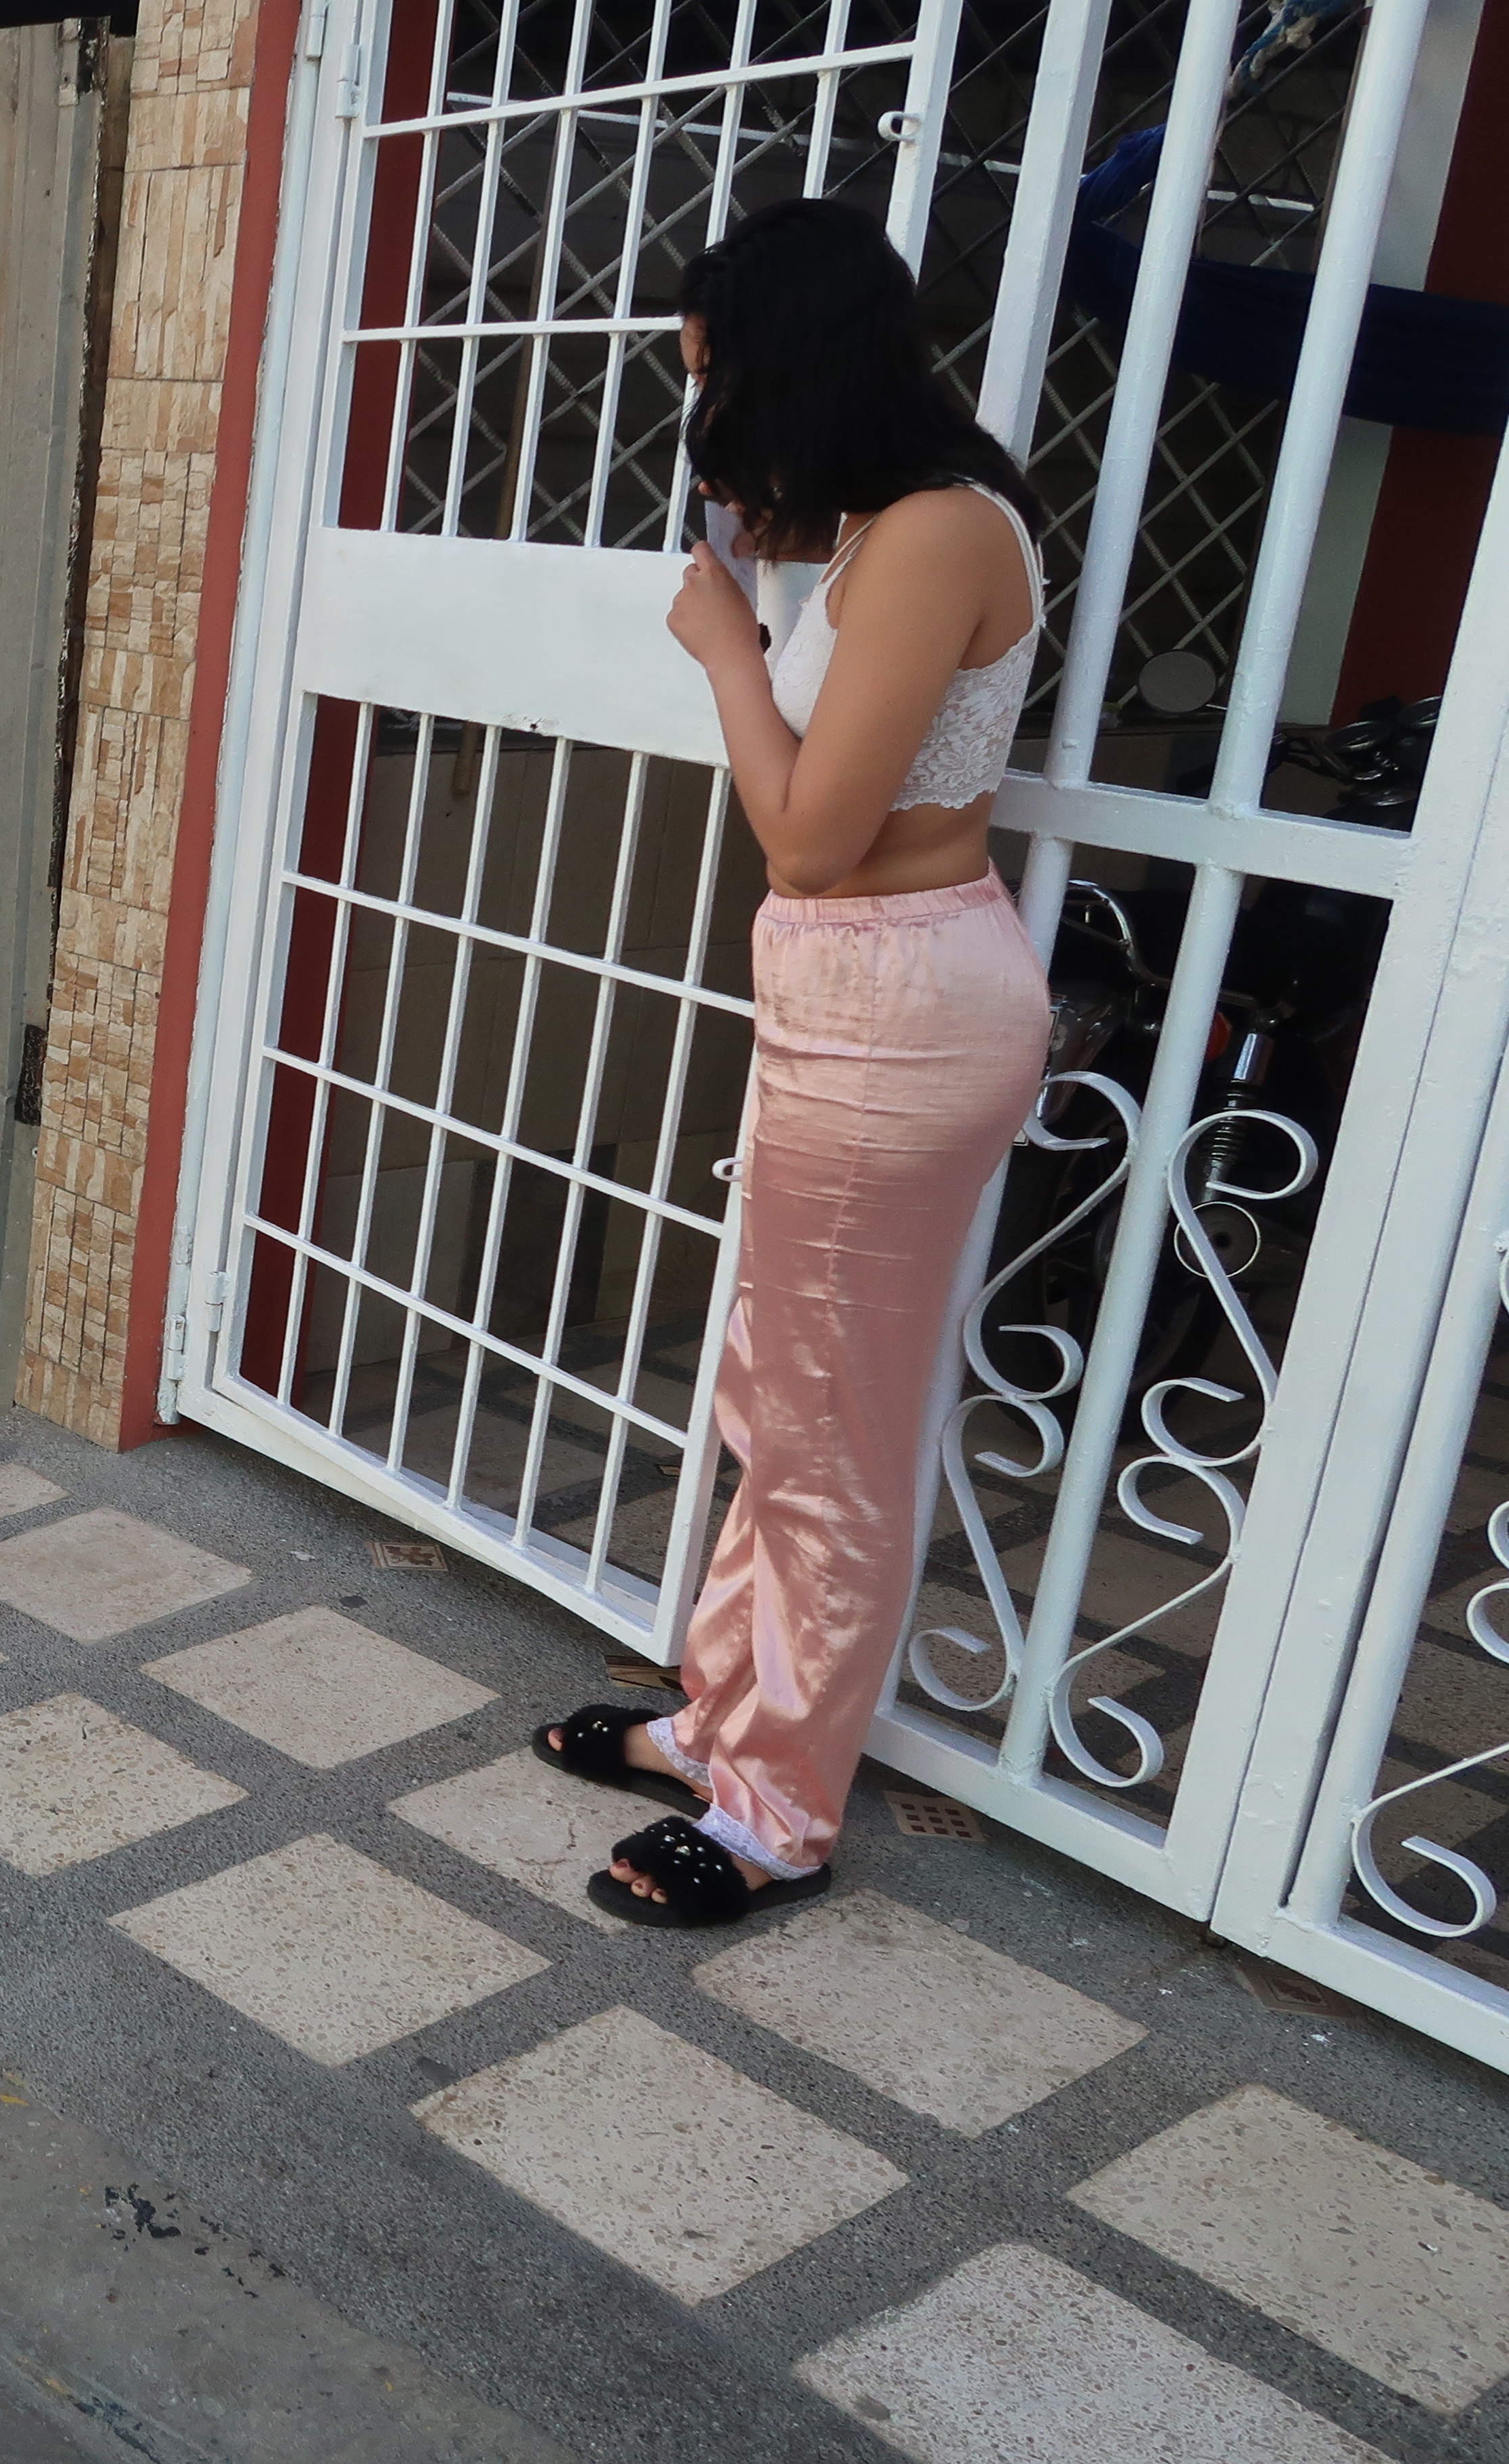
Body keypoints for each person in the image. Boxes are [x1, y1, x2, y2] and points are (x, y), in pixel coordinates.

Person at [534, 198, 1052, 1927]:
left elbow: (816, 839)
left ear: (794, 362)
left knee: (831, 1435)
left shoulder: (937, 533)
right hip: (854, 999)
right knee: (781, 1394)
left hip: (896, 1000)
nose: (706, 411)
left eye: (718, 375)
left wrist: (727, 653)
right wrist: (763, 586)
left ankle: (776, 1813)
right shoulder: (882, 528)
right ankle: (719, 1725)